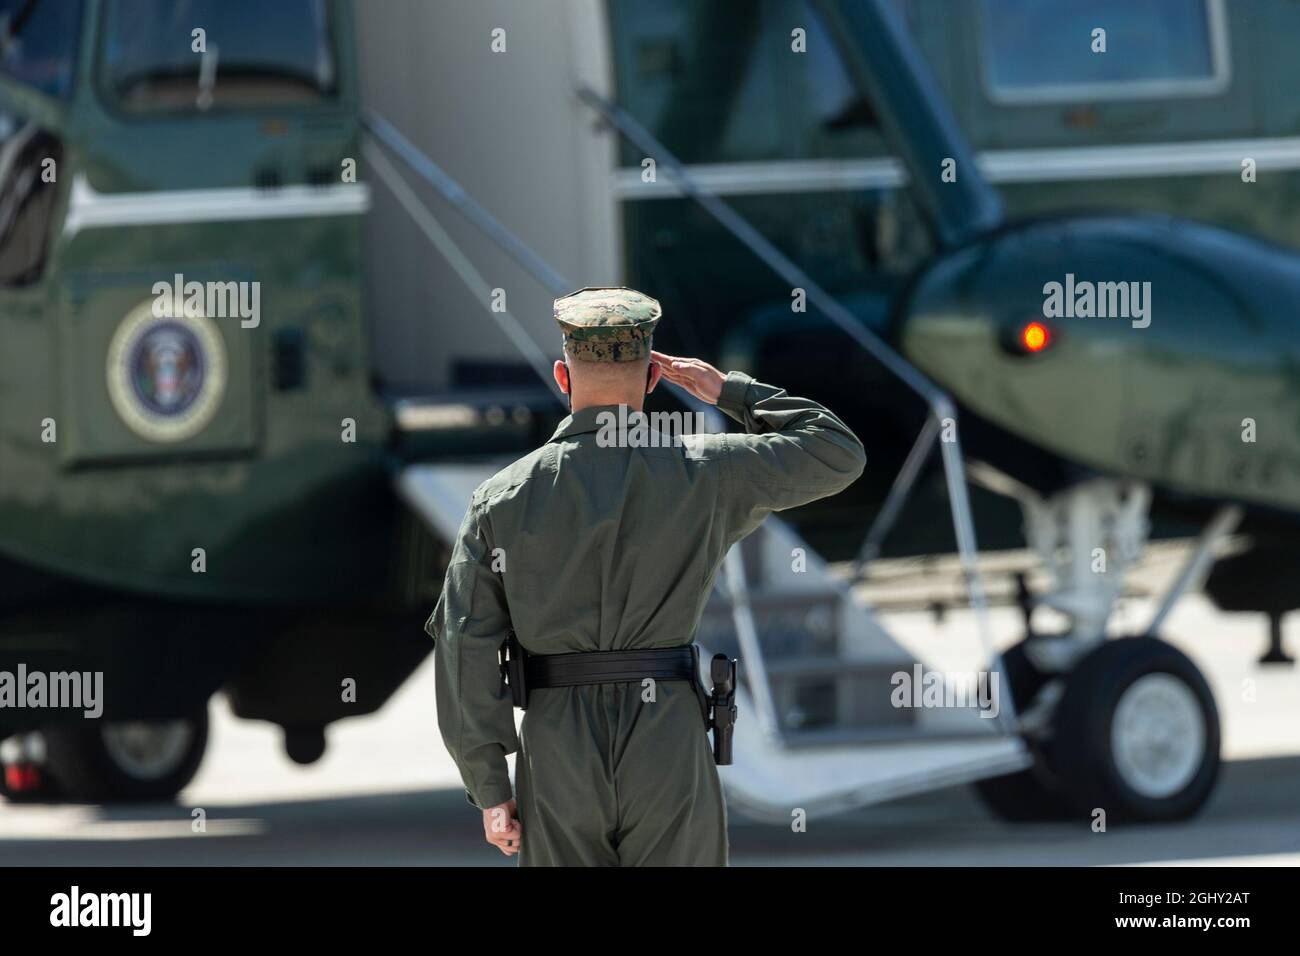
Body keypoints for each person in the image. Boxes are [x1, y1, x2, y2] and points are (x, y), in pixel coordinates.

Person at [427, 287, 865, 866]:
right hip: (666, 732)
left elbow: (465, 644)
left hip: (558, 741)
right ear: (655, 379)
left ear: (563, 375)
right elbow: (836, 452)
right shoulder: (707, 471)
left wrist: (490, 789)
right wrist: (726, 389)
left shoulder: (502, 498)